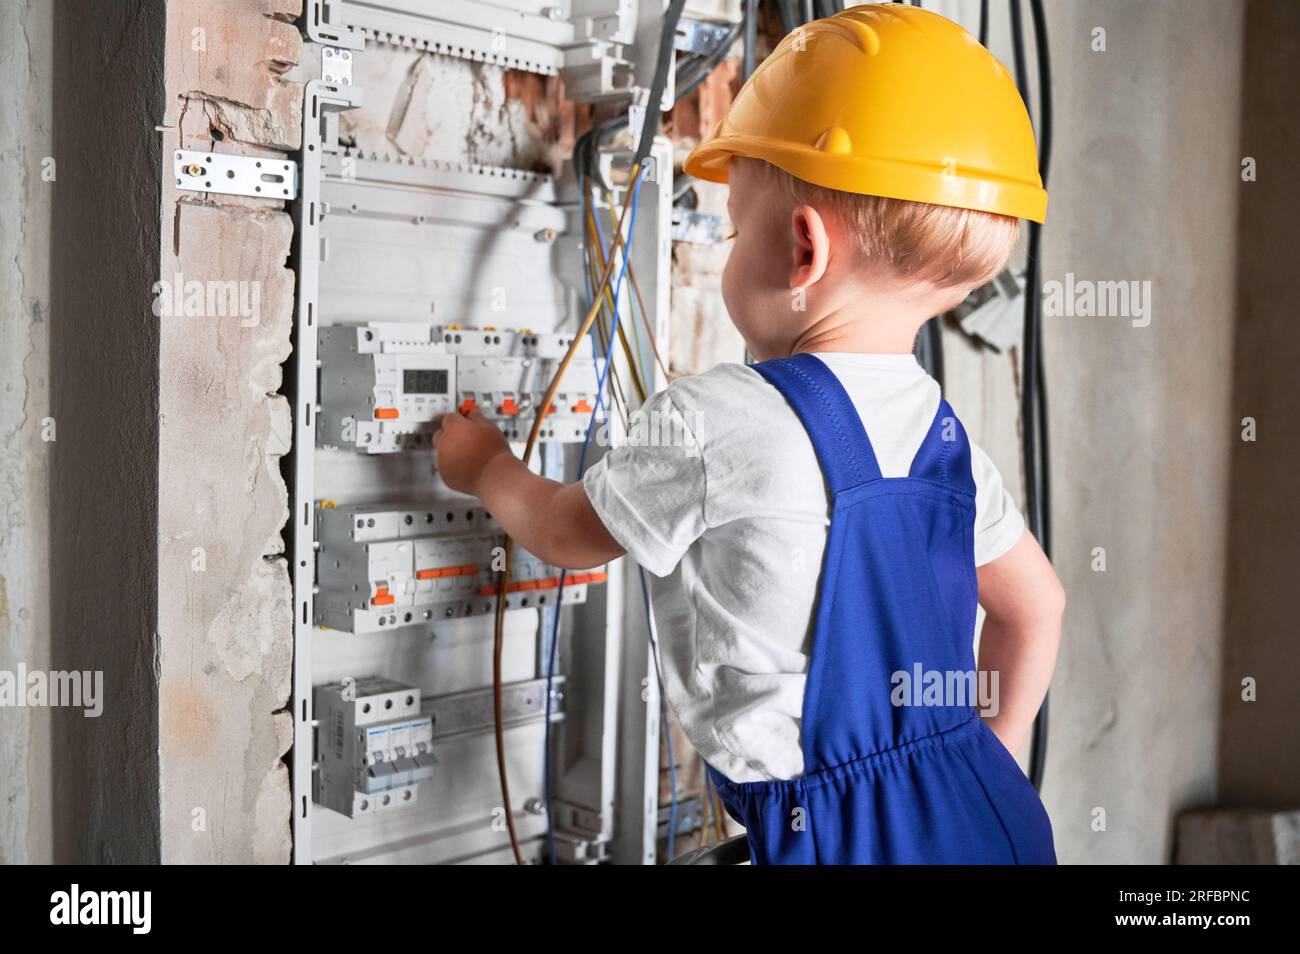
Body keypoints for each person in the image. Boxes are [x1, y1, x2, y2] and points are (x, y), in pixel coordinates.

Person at [435, 4, 1063, 864]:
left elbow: (561, 534)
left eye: (732, 230)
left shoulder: (715, 421)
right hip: (987, 823)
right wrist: (990, 750)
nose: (728, 249)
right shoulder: (949, 444)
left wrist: (485, 466)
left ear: (802, 251)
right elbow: (1038, 607)